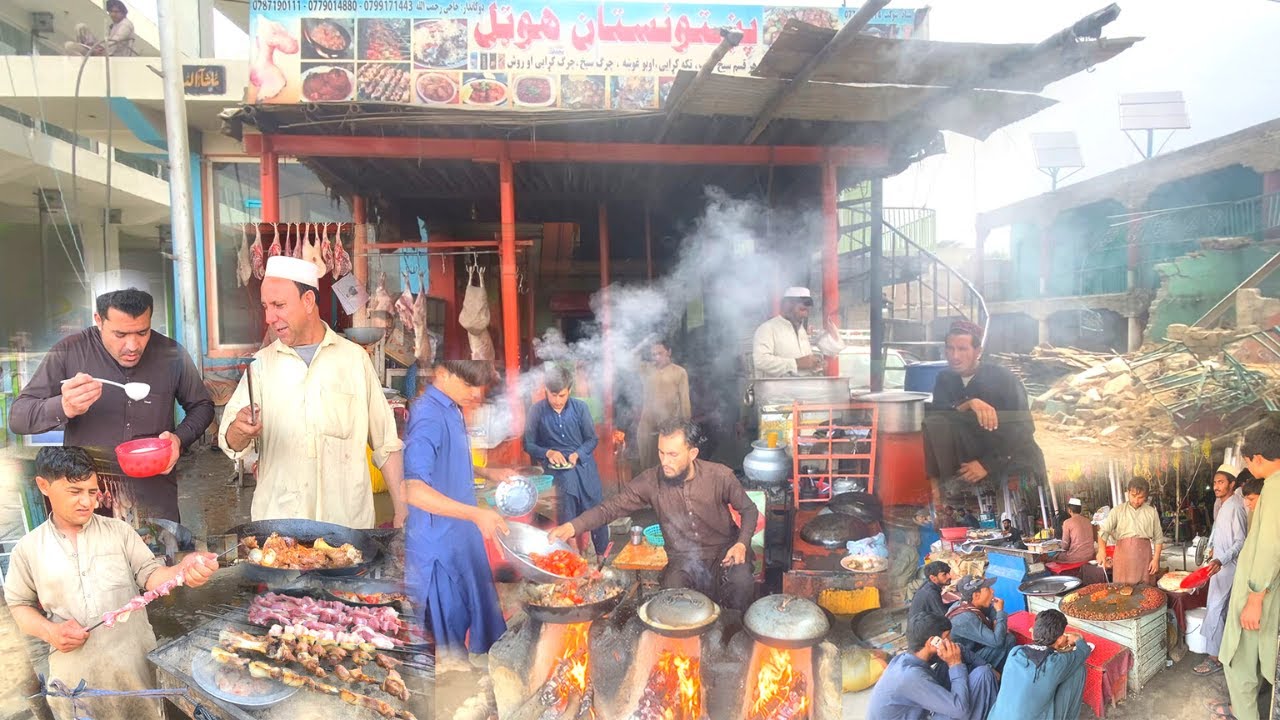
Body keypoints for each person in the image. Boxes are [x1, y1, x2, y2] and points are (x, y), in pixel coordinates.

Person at [3, 447, 217, 720]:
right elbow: (19, 606)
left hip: (135, 670)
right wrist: (50, 632)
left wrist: (181, 571)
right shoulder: (28, 549)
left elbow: (151, 576)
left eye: (92, 492)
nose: (86, 502)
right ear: (44, 485)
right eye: (74, 492)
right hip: (76, 682)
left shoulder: (120, 532)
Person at [219, 256, 406, 528]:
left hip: (346, 530)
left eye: (279, 305)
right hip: (280, 531)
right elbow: (231, 443)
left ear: (308, 301)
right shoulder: (260, 366)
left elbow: (386, 443)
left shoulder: (354, 360)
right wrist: (239, 429)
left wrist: (402, 510)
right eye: (266, 307)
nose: (270, 317)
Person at [9, 288, 213, 523]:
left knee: (161, 557)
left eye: (142, 332)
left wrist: (179, 439)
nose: (132, 345)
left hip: (154, 498)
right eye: (120, 334)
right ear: (99, 320)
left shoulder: (171, 354)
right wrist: (63, 406)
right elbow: (18, 418)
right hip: (90, 498)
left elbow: (202, 406)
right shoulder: (70, 352)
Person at [549, 420, 759, 612]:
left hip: (725, 552)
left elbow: (749, 510)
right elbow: (610, 508)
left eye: (673, 455)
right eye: (661, 453)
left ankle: (731, 635)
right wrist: (574, 526)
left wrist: (741, 543)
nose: (665, 461)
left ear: (693, 453)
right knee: (673, 599)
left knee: (741, 585)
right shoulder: (650, 481)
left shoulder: (720, 476)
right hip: (682, 559)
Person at [403, 359, 516, 663]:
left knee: (478, 612)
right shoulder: (427, 414)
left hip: (462, 537)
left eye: (478, 385)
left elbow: (448, 458)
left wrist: (486, 471)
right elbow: (413, 488)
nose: (476, 393)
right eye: (468, 384)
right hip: (439, 547)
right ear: (442, 373)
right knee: (449, 641)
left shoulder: (451, 407)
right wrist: (476, 514)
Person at [924, 321, 1046, 491]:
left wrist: (987, 464)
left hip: (1010, 459)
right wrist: (967, 403)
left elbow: (1023, 428)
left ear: (978, 351)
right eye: (950, 348)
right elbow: (939, 414)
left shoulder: (1004, 379)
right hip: (967, 465)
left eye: (962, 349)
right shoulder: (945, 379)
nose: (954, 356)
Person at [1213, 420, 1280, 720]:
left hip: (1259, 597)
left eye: (1247, 462)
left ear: (1259, 459)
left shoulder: (1275, 489)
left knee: (1239, 667)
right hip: (1265, 594)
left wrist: (1254, 598)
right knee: (1258, 670)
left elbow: (1269, 547)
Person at [523, 365, 608, 555]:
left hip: (584, 468)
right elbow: (528, 444)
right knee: (566, 509)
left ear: (569, 390)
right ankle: (573, 555)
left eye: (562, 395)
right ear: (545, 390)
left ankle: (602, 555)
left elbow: (592, 439)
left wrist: (577, 453)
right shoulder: (536, 411)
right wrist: (548, 453)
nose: (557, 401)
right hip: (557, 472)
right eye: (553, 395)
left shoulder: (580, 408)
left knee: (595, 509)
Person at [866, 612, 998, 720]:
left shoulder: (905, 659)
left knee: (982, 671)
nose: (951, 641)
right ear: (933, 642)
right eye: (947, 637)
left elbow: (961, 649)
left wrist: (987, 666)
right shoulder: (909, 676)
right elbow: (960, 711)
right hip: (929, 715)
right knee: (983, 675)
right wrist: (955, 664)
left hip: (923, 713)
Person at [987, 609, 1090, 720]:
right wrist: (1077, 639)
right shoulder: (1055, 663)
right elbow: (1084, 651)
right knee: (1078, 669)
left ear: (1032, 633)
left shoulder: (1016, 652)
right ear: (1060, 639)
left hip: (997, 717)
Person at [1196, 463, 1249, 677]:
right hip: (1217, 565)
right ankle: (1222, 652)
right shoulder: (1222, 504)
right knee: (1220, 610)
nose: (1216, 486)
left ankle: (1214, 659)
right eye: (1215, 482)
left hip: (1227, 568)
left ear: (1232, 484)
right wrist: (1211, 550)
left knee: (1215, 609)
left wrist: (1221, 559)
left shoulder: (1235, 506)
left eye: (1221, 482)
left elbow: (1240, 541)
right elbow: (1219, 533)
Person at [1095, 477, 1164, 585]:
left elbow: (1158, 538)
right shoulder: (1117, 510)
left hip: (1144, 557)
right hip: (1123, 557)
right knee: (1122, 590)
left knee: (1145, 591)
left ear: (1146, 496)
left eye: (1140, 497)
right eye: (1133, 496)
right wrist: (1101, 550)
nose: (1136, 501)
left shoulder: (1151, 512)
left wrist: (1155, 559)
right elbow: (1103, 532)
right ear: (1127, 492)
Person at [636, 341, 691, 470]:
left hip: (669, 424)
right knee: (646, 463)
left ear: (669, 352)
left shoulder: (679, 372)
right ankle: (649, 488)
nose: (656, 358)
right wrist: (642, 343)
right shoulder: (647, 369)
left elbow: (685, 401)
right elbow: (627, 361)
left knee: (668, 462)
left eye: (660, 353)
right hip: (647, 424)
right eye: (653, 354)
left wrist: (685, 427)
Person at [945, 575, 1017, 671]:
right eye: (987, 589)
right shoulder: (966, 618)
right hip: (966, 661)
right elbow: (997, 641)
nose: (992, 591)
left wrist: (996, 619)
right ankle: (1004, 674)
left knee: (1002, 632)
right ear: (976, 595)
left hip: (975, 647)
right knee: (1008, 639)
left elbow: (990, 610)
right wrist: (1000, 612)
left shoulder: (967, 603)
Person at [751, 286, 823, 377]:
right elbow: (760, 361)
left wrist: (814, 364)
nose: (805, 314)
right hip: (776, 390)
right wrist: (795, 363)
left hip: (803, 388)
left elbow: (804, 362)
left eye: (807, 311)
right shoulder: (767, 329)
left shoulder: (801, 330)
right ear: (787, 305)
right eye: (802, 309)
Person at [65, 0, 135, 56]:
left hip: (111, 56)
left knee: (69, 46)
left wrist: (99, 48)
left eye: (116, 12)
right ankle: (87, 53)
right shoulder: (115, 24)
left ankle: (85, 62)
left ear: (123, 13)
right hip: (102, 50)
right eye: (111, 12)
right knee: (81, 27)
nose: (112, 14)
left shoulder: (126, 24)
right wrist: (95, 47)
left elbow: (115, 41)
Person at [1056, 498, 1096, 564]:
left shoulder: (1067, 522)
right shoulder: (1088, 521)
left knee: (1056, 557)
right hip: (1090, 555)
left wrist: (1059, 545)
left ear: (1069, 510)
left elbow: (1065, 546)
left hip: (1076, 557)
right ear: (1080, 509)